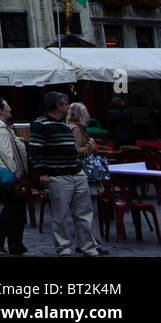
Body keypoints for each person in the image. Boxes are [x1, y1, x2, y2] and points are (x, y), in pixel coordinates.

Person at [30, 91, 101, 257]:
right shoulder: (41, 124)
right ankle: (64, 249)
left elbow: (73, 150)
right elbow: (35, 150)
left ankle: (89, 248)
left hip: (77, 172)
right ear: (57, 105)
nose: (68, 106)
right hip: (58, 176)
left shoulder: (65, 124)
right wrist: (43, 172)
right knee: (60, 215)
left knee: (84, 213)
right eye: (66, 103)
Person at [0, 97, 30, 256]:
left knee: (12, 209)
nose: (10, 108)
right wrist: (15, 174)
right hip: (8, 175)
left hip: (3, 174)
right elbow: (5, 152)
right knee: (16, 212)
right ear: (0, 110)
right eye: (8, 106)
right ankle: (16, 246)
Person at [66, 102, 106, 252]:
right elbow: (78, 150)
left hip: (78, 172)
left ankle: (81, 242)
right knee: (90, 210)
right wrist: (90, 145)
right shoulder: (76, 129)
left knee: (81, 210)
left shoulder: (71, 127)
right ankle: (93, 243)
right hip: (85, 173)